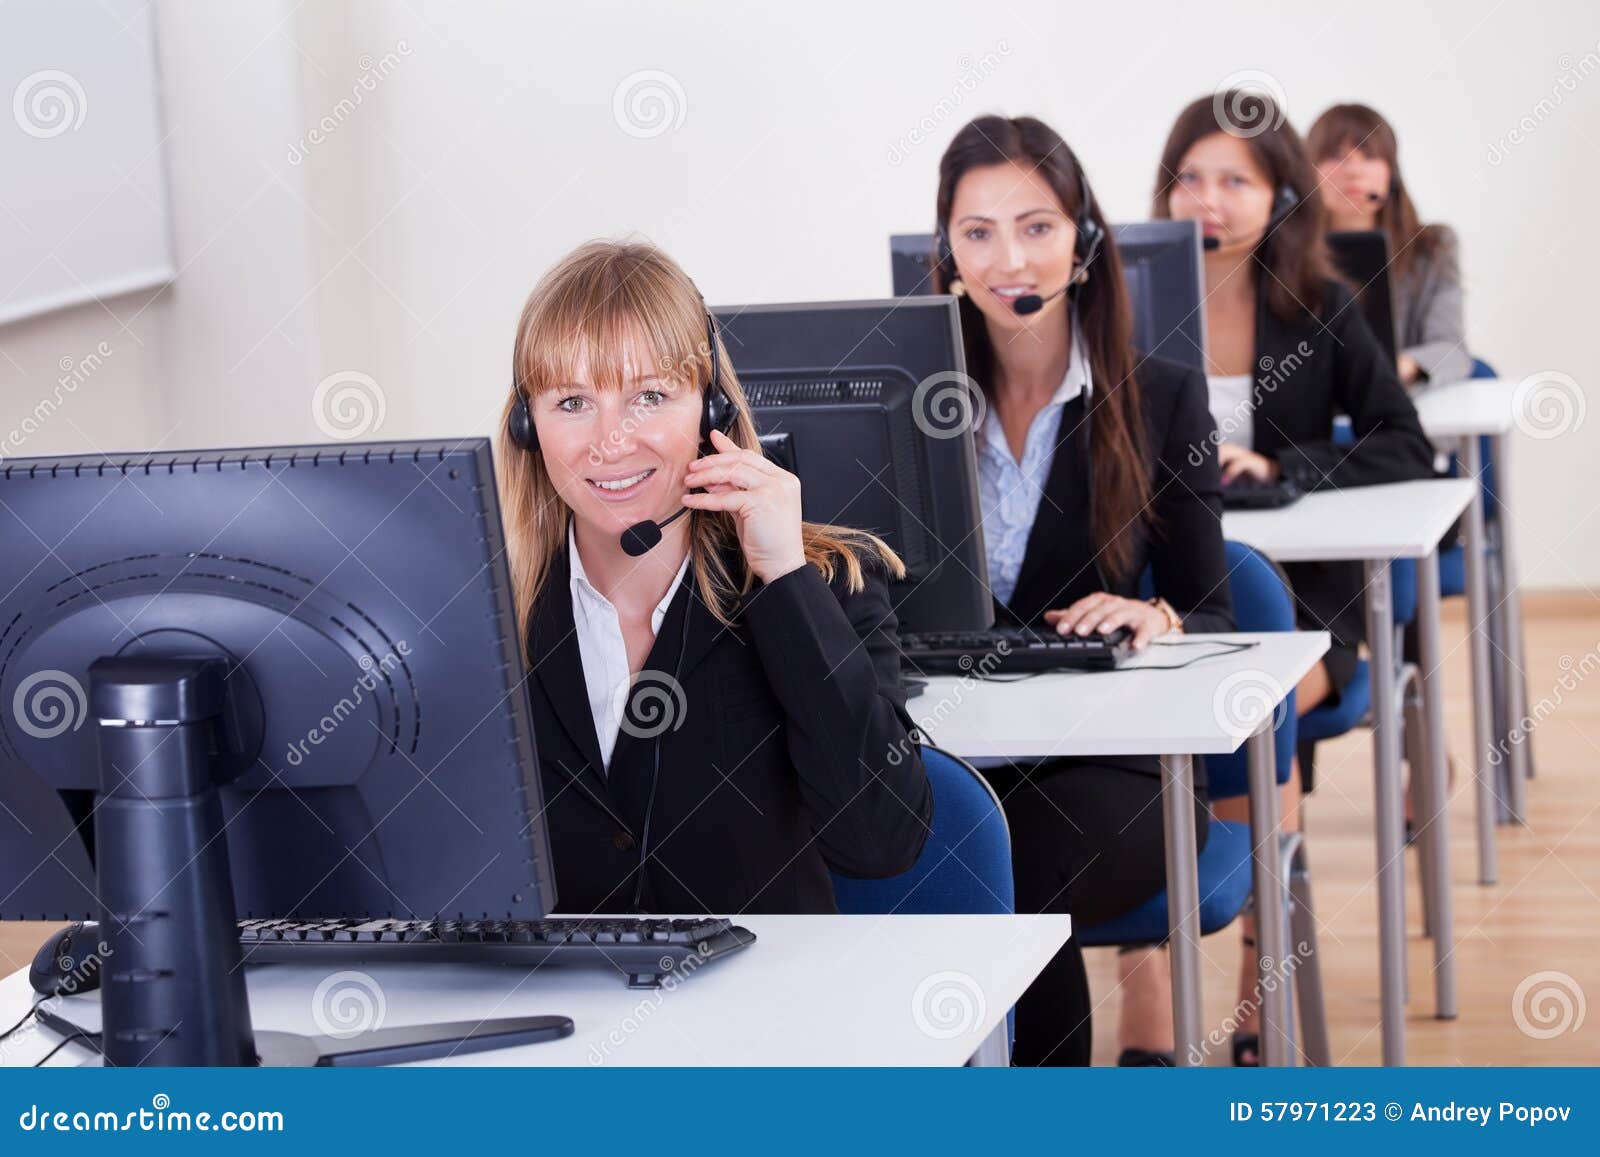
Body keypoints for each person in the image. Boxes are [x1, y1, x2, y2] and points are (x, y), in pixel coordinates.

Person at [498, 239, 931, 916]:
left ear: (711, 412)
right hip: (564, 1014)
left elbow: (879, 841)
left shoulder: (824, 583)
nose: (612, 441)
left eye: (650, 395)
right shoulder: (491, 614)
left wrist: (783, 580)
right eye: (573, 402)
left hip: (764, 1012)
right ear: (529, 425)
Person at [933, 114, 1234, 1066]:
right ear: (946, 249)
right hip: (955, 746)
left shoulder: (1161, 397)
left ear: (1084, 241)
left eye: (1037, 226)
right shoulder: (914, 399)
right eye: (977, 231)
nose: (1008, 258)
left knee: (997, 866)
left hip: (1110, 766)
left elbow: (1216, 606)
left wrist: (1159, 612)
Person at [1153, 91, 1436, 1063]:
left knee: (1243, 703)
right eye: (1189, 177)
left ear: (1278, 196)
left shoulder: (1319, 304)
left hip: (1301, 604)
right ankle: (1149, 993)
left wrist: (1286, 466)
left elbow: (1407, 440)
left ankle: (1252, 988)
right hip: (1169, 588)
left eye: (1234, 179)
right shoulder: (1132, 307)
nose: (1207, 199)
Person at [1308, 102, 1471, 387]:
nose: (1354, 171)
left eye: (1369, 156)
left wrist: (1401, 367)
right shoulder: (1288, 250)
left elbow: (1451, 352)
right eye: (1336, 157)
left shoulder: (1433, 247)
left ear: (1390, 173)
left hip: (1405, 404)